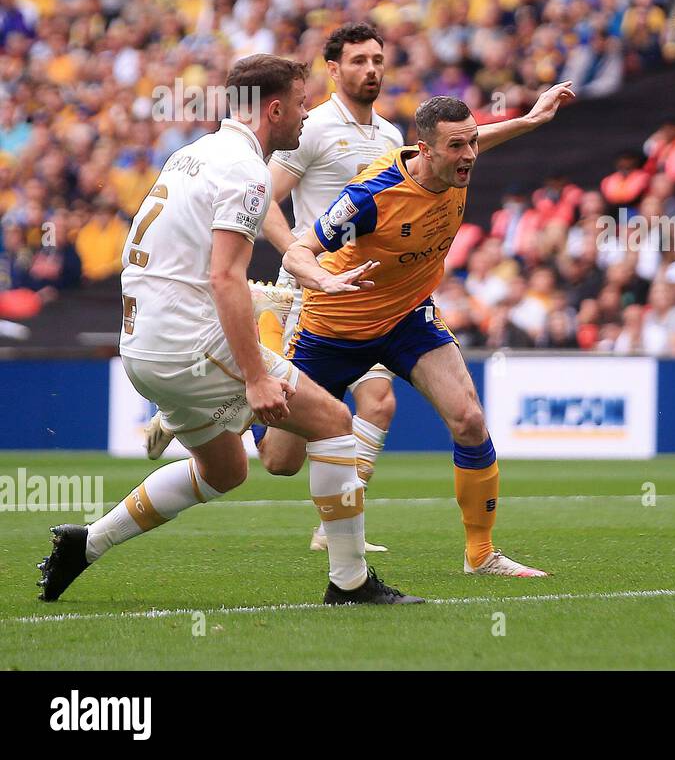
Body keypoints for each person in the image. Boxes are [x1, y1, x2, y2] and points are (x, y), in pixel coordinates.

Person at [39, 55, 419, 605]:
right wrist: (256, 378)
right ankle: (351, 582)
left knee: (225, 470)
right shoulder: (246, 171)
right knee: (336, 422)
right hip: (189, 344)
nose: (307, 113)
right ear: (274, 107)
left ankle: (87, 542)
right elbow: (224, 277)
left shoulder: (193, 154)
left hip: (142, 344)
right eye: (301, 101)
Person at [263, 84, 575, 578]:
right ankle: (245, 376)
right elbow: (299, 250)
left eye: (473, 142)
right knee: (279, 461)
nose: (470, 154)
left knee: (469, 419)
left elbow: (478, 140)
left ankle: (481, 554)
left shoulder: (456, 163)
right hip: (334, 326)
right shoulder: (371, 196)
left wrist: (531, 121)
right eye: (458, 146)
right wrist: (323, 279)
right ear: (426, 151)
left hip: (408, 316)